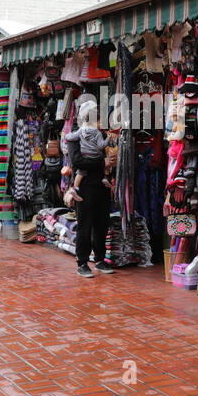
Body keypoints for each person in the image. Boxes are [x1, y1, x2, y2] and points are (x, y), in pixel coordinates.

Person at [65, 104, 116, 278]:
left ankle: (100, 259)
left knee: (101, 224)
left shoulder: (98, 134)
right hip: (84, 187)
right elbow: (78, 162)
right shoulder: (75, 138)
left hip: (101, 185)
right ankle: (82, 262)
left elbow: (105, 155)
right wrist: (103, 163)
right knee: (85, 225)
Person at [62, 102, 113, 205]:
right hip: (86, 189)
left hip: (99, 186)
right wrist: (103, 162)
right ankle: (75, 190)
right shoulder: (79, 132)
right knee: (88, 218)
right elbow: (78, 161)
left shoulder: (97, 132)